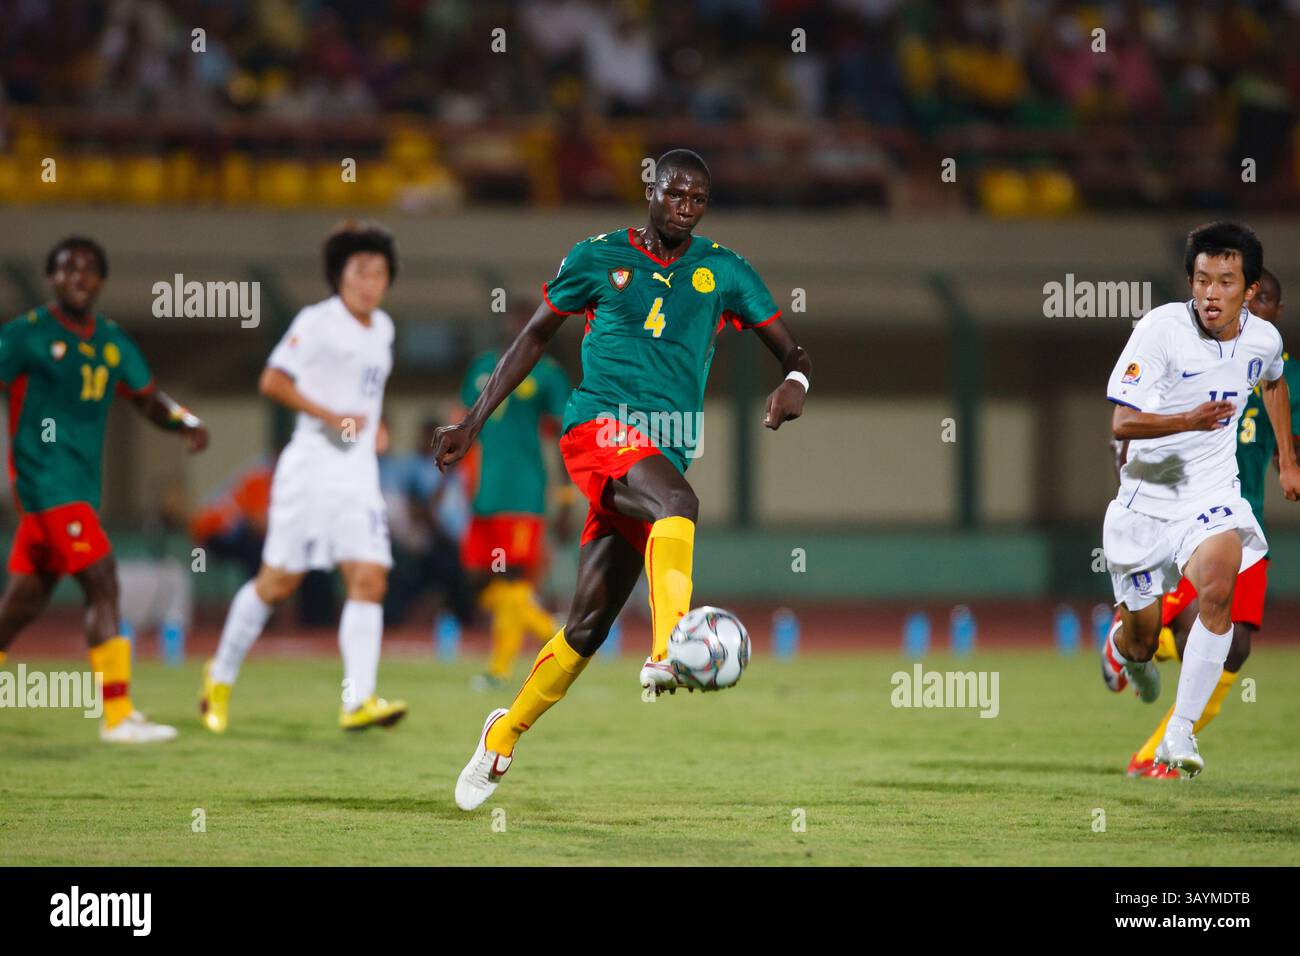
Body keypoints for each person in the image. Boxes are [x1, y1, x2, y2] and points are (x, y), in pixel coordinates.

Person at [433, 149, 811, 810]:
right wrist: (473, 420)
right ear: (652, 190)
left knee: (587, 627)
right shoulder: (595, 257)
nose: (685, 208)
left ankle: (504, 731)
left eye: (697, 199)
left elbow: (790, 346)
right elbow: (531, 337)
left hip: (654, 456)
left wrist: (795, 381)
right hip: (597, 429)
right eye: (675, 194)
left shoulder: (724, 270)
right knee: (680, 501)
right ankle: (671, 647)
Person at [1100, 222, 1300, 777]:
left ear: (1251, 289)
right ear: (1190, 280)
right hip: (1146, 498)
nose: (1211, 293)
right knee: (1143, 642)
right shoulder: (1160, 329)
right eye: (1202, 279)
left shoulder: (1263, 338)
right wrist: (1187, 419)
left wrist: (1287, 458)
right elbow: (1123, 421)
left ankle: (1180, 734)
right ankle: (1124, 651)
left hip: (1211, 494)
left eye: (1226, 281)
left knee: (1219, 586)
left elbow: (1275, 381)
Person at [0, 236, 209, 743]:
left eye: (89, 269)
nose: (79, 277)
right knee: (103, 577)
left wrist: (184, 421)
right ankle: (117, 717)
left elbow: (147, 398)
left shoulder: (112, 341)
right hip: (45, 481)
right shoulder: (27, 335)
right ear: (52, 278)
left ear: (101, 281)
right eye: (68, 268)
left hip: (77, 487)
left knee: (24, 603)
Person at [201, 221, 407, 733]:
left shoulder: (383, 330)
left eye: (379, 273)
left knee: (369, 577)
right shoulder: (316, 321)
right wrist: (329, 414)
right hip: (311, 466)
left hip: (357, 473)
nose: (370, 282)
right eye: (360, 271)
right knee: (279, 582)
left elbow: (365, 394)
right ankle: (219, 675)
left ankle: (358, 699)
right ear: (339, 276)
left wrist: (374, 423)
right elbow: (272, 380)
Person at [459, 304, 574, 689]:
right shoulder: (481, 367)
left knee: (510, 578)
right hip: (485, 493)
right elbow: (462, 424)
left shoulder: (547, 374)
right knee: (479, 579)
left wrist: (566, 497)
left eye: (524, 319)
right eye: (510, 318)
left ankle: (499, 669)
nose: (513, 325)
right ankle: (555, 633)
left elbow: (563, 436)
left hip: (524, 493)